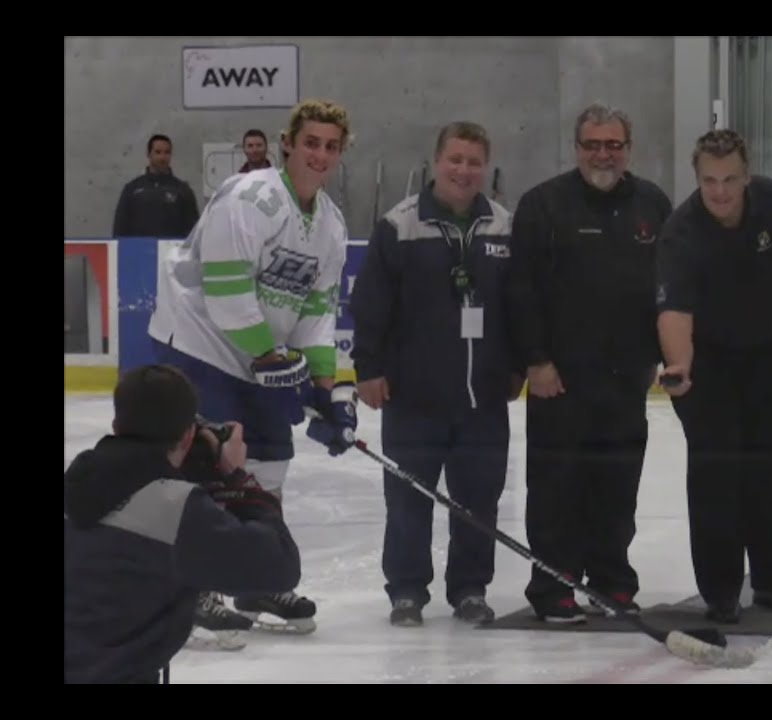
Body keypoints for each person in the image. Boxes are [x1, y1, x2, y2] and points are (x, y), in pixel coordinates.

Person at [146, 98, 359, 638]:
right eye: (311, 142)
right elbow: (226, 291)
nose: (320, 154)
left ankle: (256, 579)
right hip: (201, 342)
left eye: (331, 146)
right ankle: (195, 590)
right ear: (288, 143)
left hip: (261, 355)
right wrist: (273, 361)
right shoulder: (250, 197)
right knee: (209, 459)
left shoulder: (330, 224)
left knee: (271, 459)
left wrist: (327, 389)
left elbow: (316, 312)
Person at [350, 121, 523, 627]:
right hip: (413, 399)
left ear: (485, 167)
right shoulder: (399, 226)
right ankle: (407, 590)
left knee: (479, 503)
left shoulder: (505, 228)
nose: (464, 170)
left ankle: (470, 589)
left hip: (484, 401)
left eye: (474, 161)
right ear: (436, 160)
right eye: (455, 159)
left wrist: (516, 366)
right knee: (408, 501)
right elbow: (371, 306)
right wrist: (368, 369)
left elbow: (521, 307)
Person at [508, 103, 672, 623]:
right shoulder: (543, 205)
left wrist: (663, 357)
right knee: (556, 488)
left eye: (614, 144)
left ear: (628, 148)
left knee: (616, 487)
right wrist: (535, 359)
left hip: (626, 378)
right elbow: (521, 291)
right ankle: (553, 588)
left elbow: (668, 289)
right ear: (577, 148)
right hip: (560, 380)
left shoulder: (652, 204)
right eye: (593, 144)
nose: (604, 153)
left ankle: (611, 583)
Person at [655, 128, 772, 624]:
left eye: (729, 179)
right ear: (697, 178)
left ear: (747, 175)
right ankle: (721, 590)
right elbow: (673, 310)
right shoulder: (682, 232)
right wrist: (678, 365)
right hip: (709, 365)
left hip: (768, 352)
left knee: (769, 470)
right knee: (717, 475)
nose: (720, 192)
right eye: (709, 181)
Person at [65, 364, 302, 684]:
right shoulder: (176, 511)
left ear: (116, 425)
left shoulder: (76, 484)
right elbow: (280, 565)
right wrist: (237, 480)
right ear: (189, 434)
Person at [112, 133, 201, 239]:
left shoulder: (182, 190)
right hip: (138, 252)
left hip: (171, 252)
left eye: (167, 152)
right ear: (149, 154)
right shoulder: (132, 189)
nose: (162, 157)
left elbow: (193, 231)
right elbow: (120, 229)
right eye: (158, 152)